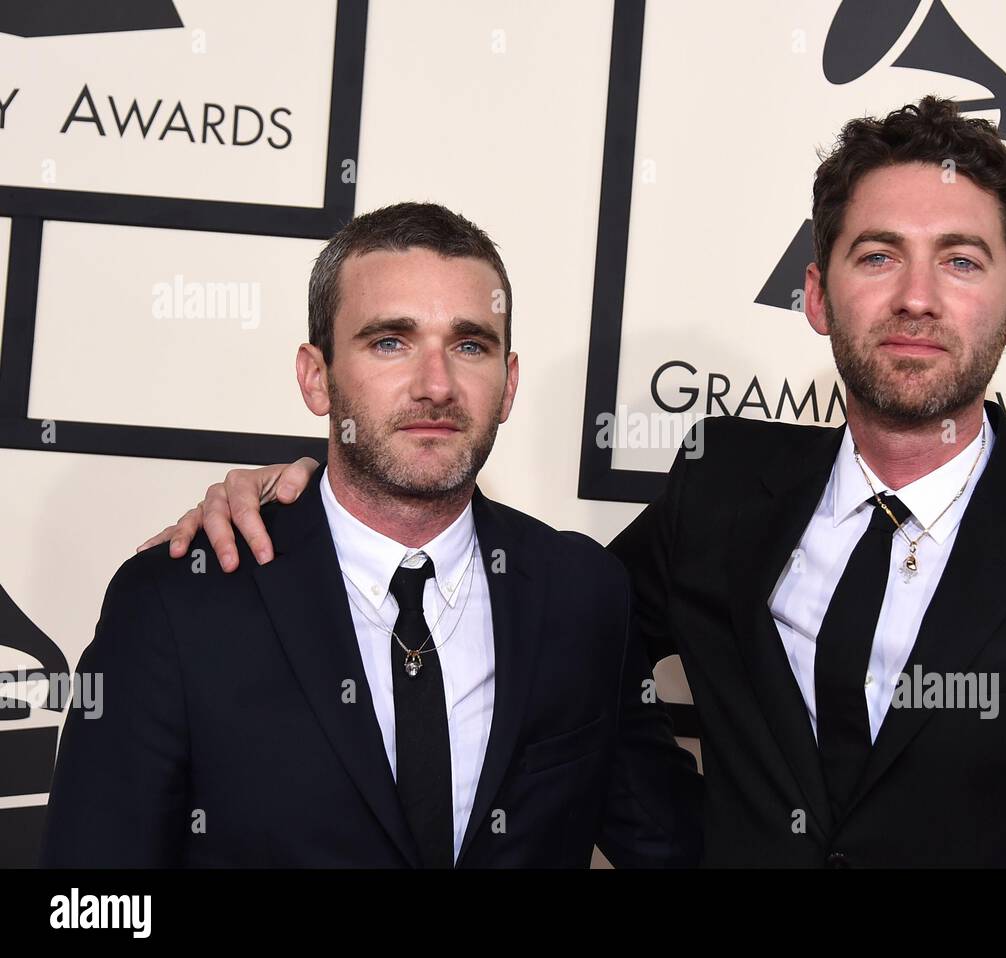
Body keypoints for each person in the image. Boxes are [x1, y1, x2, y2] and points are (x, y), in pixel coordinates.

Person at [140, 98, 1006, 867]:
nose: (917, 297)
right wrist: (310, 495)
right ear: (816, 296)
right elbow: (537, 627)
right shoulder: (728, 484)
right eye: (877, 256)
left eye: (961, 261)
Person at [42, 203, 701, 868]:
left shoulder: (580, 595)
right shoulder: (175, 605)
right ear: (316, 376)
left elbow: (671, 844)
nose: (436, 385)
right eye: (390, 342)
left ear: (507, 386)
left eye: (470, 345)